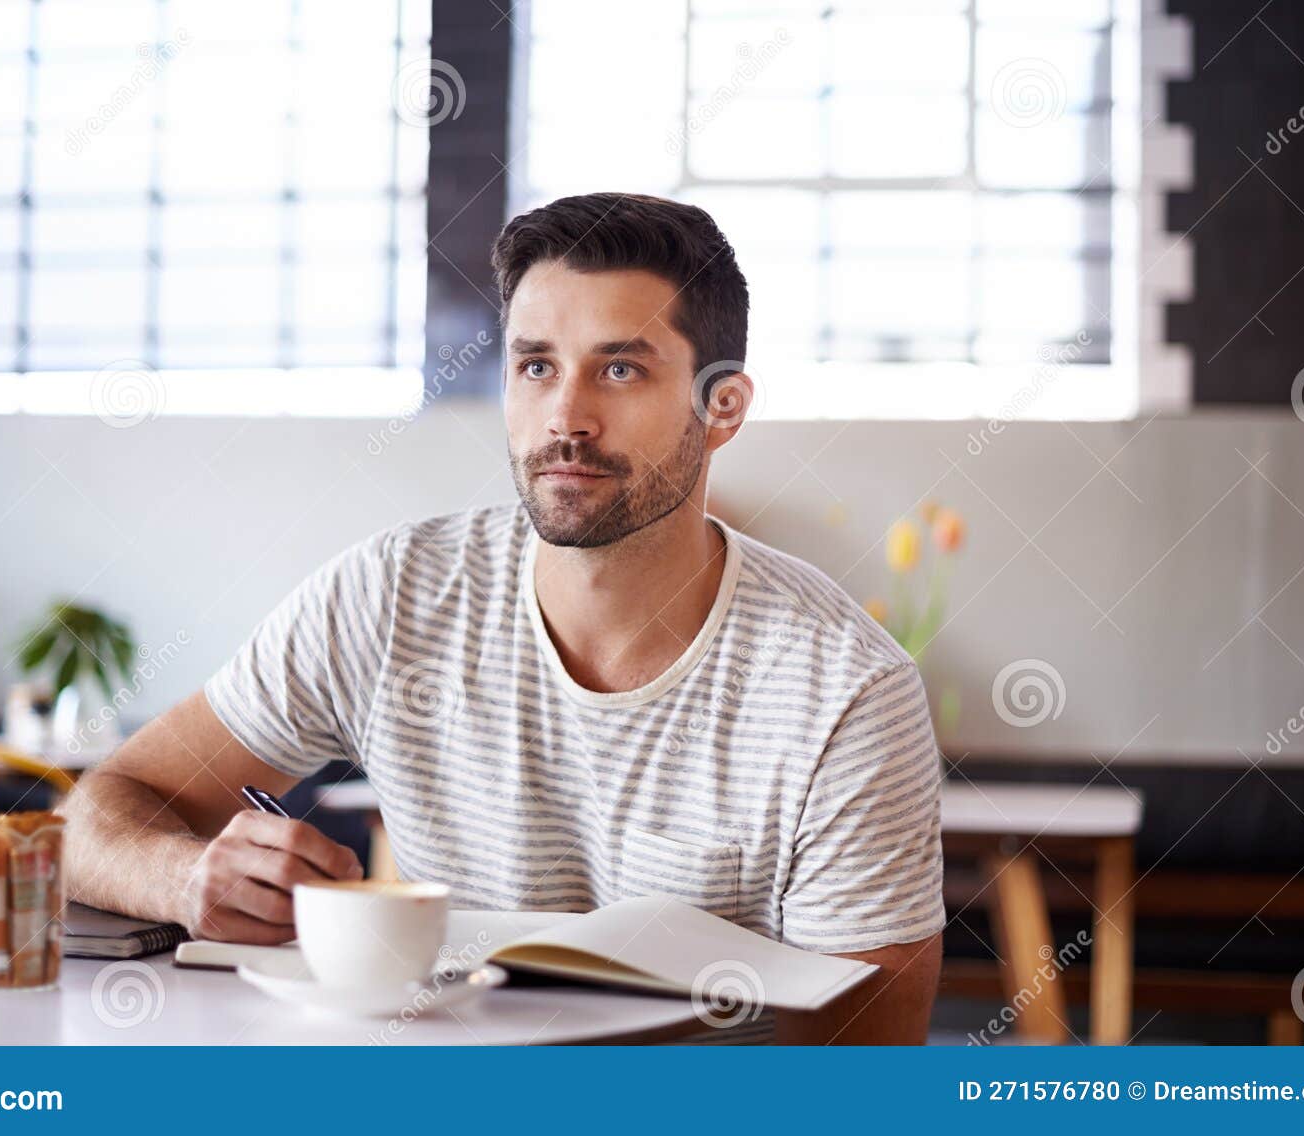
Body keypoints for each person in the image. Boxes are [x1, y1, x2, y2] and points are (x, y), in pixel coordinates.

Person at [62, 192, 945, 1044]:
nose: (565, 417)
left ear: (723, 409)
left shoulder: (846, 690)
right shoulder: (388, 596)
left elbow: (862, 1069)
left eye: (621, 368)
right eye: (536, 366)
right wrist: (188, 878)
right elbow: (95, 814)